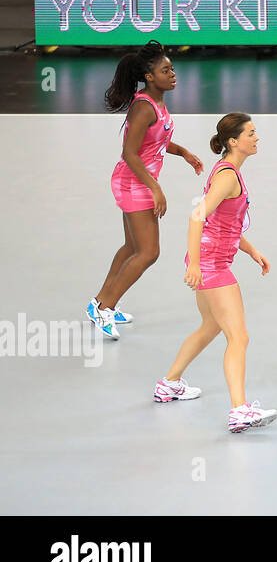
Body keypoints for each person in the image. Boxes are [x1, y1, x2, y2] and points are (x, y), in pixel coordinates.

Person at [157, 113, 277, 433]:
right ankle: (239, 410)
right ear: (234, 141)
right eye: (251, 133)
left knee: (209, 327)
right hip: (212, 265)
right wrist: (195, 264)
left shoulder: (228, 170)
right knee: (239, 336)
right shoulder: (228, 176)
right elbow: (197, 218)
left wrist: (252, 251)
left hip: (212, 258)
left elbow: (224, 223)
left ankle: (169, 383)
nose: (257, 138)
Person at [90, 41, 203, 341]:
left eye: (172, 68)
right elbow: (130, 152)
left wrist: (184, 153)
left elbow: (157, 141)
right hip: (134, 182)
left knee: (132, 248)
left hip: (135, 180)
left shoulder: (157, 103)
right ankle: (106, 308)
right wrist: (156, 188)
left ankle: (98, 302)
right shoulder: (143, 107)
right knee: (149, 252)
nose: (172, 73)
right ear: (150, 76)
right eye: (165, 70)